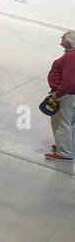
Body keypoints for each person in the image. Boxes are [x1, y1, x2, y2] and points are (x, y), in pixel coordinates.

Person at [44, 31, 75, 161]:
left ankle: (65, 152)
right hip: (71, 94)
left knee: (61, 122)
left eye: (63, 37)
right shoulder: (71, 55)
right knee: (70, 122)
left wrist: (58, 94)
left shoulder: (71, 57)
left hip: (66, 94)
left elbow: (69, 80)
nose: (61, 38)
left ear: (68, 42)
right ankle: (66, 145)